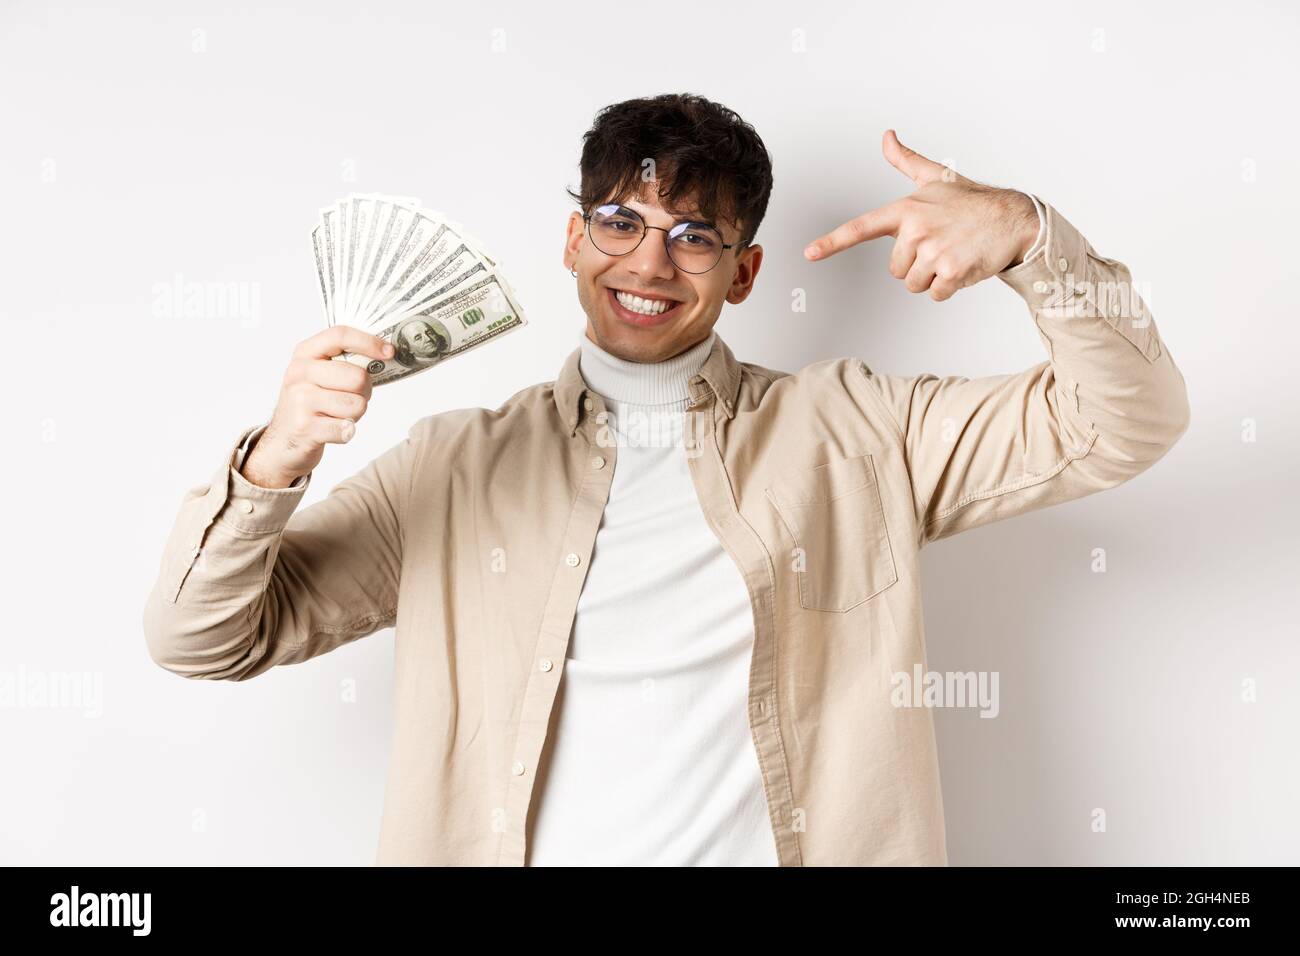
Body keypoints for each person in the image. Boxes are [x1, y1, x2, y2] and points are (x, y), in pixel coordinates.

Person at [143, 93, 1190, 866]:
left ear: (743, 271)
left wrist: (1032, 241)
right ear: (574, 238)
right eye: (621, 222)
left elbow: (1127, 417)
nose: (650, 264)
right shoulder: (454, 468)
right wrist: (273, 458)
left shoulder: (862, 428)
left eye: (695, 236)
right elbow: (199, 636)